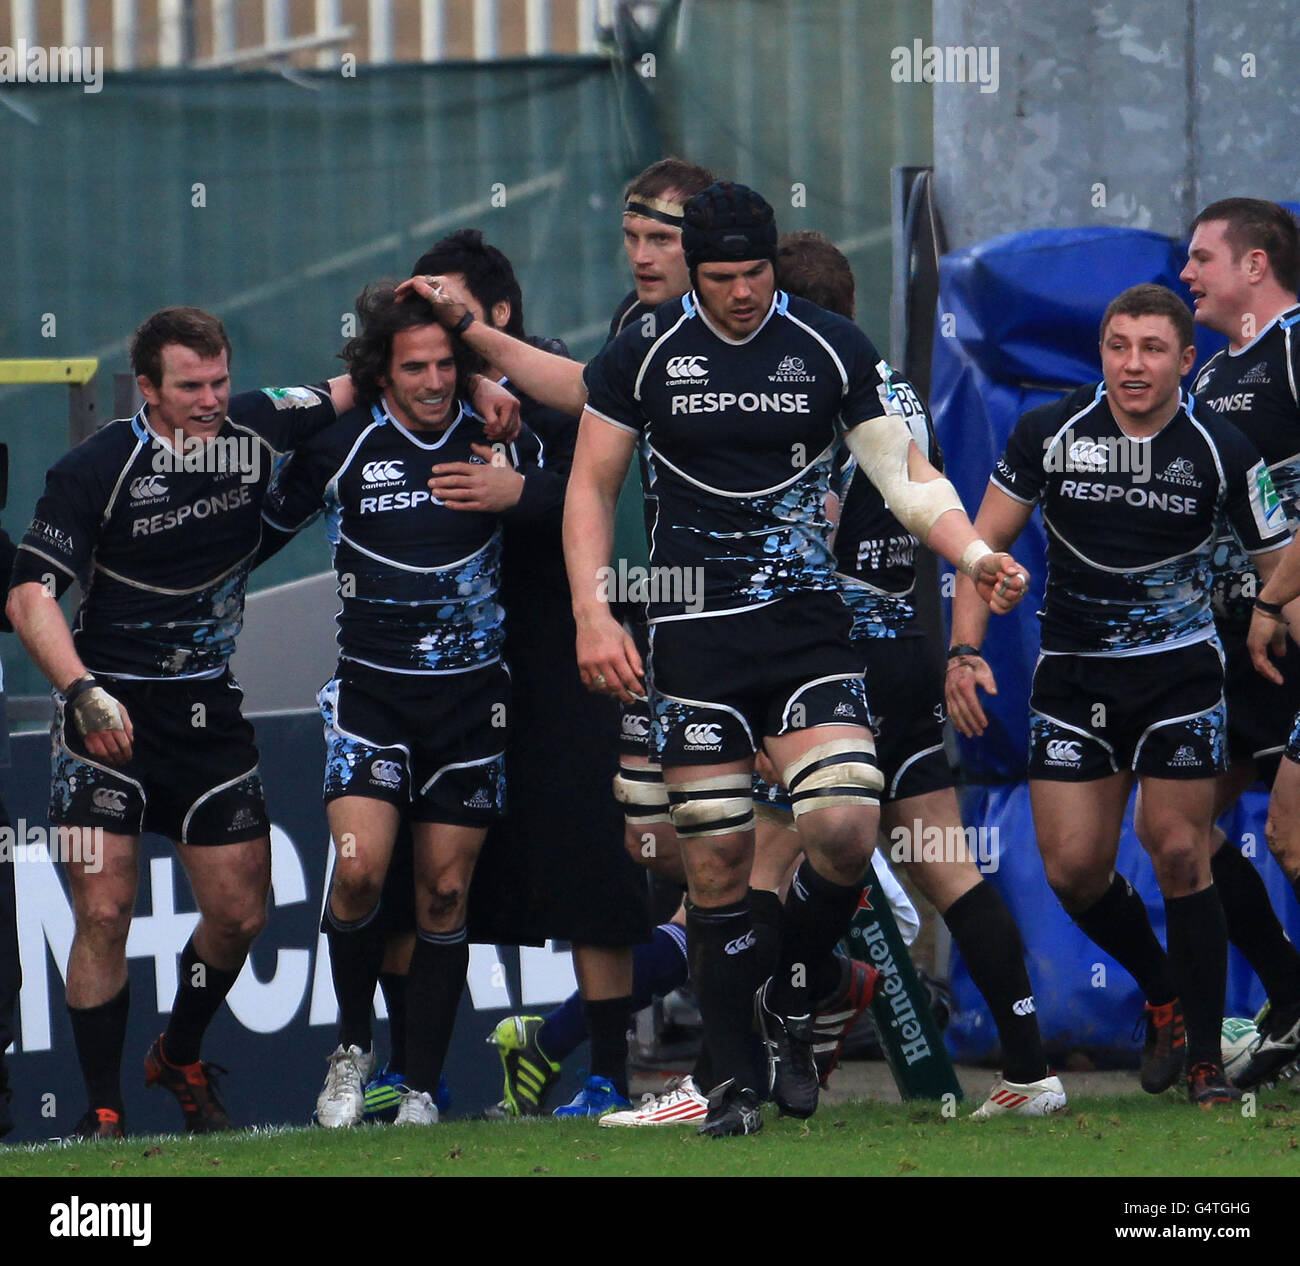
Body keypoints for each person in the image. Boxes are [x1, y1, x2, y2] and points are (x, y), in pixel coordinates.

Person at [561, 181, 1028, 1136]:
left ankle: (799, 985)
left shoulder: (826, 346)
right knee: (719, 860)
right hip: (691, 639)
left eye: (756, 272)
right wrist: (591, 612)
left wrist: (974, 555)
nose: (742, 292)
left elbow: (906, 475)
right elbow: (591, 484)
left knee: (848, 824)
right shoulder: (642, 352)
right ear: (693, 272)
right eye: (722, 276)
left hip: (808, 630)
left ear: (777, 263)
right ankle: (728, 1086)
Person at [404, 161, 720, 1119]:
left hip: (710, 617)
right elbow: (593, 422)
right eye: (631, 239)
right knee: (422, 870)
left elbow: (584, 430)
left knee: (713, 853)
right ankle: (404, 1078)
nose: (642, 257)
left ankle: (663, 1067)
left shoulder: (759, 333)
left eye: (661, 239)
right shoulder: (630, 332)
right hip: (515, 659)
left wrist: (520, 484)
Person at [946, 283, 1292, 1107]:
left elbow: (1282, 558)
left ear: (1186, 360)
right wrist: (963, 650)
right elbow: (979, 545)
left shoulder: (1224, 447)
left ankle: (1206, 1060)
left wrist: (1273, 611)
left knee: (1179, 847)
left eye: (1151, 349)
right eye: (1118, 346)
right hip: (1071, 677)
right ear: (1100, 353)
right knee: (1073, 870)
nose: (1132, 365)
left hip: (1180, 678)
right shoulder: (1049, 432)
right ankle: (1164, 992)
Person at [5, 307, 347, 1138]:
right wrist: (83, 693)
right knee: (104, 912)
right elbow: (27, 596)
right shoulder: (96, 469)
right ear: (147, 390)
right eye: (189, 386)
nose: (209, 399)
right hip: (105, 713)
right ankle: (104, 1112)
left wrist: (483, 381)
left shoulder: (259, 422)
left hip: (206, 712)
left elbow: (362, 385)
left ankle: (179, 1052)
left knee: (240, 915)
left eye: (219, 380)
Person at [768, 231, 1065, 1119]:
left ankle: (739, 1060)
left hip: (826, 671)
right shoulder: (895, 387)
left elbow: (806, 533)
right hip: (903, 658)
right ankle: (1028, 1070)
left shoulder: (809, 390)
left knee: (760, 862)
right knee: (946, 867)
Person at [259, 283, 556, 1126]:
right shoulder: (345, 444)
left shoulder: (501, 433)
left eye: (445, 365)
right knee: (357, 874)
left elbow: (583, 494)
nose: (431, 381)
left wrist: (517, 482)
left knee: (444, 895)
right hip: (369, 700)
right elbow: (256, 533)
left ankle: (421, 1084)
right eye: (412, 367)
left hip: (472, 708)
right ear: (380, 374)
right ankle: (350, 1053)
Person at [1180, 198, 1300, 1087]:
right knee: (1178, 824)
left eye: (1202, 259)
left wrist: (1278, 596)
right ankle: (1291, 1000)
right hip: (1233, 639)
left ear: (1255, 266)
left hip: (1284, 629)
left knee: (1293, 835)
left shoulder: (1296, 345)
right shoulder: (1214, 376)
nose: (1187, 275)